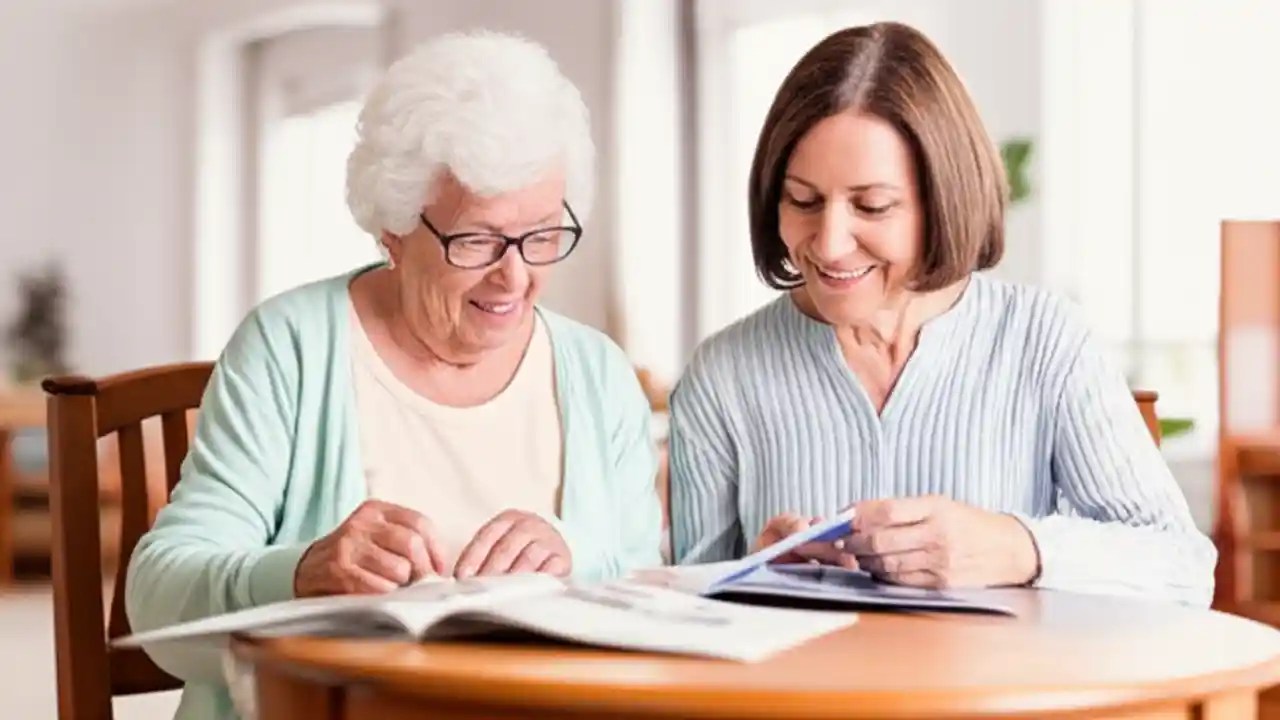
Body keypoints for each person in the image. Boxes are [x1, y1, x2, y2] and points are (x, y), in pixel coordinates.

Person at [126, 31, 663, 718]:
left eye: (542, 235)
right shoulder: (291, 346)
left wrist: (576, 555)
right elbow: (158, 604)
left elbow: (652, 595)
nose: (516, 276)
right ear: (394, 230)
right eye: (476, 239)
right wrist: (297, 574)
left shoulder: (598, 373)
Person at [668, 22, 1214, 606]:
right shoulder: (723, 374)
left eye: (872, 205)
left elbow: (1182, 568)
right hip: (805, 698)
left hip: (995, 695)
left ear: (943, 199)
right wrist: (760, 571)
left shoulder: (1045, 340)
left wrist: (1018, 548)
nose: (828, 244)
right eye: (802, 200)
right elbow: (683, 606)